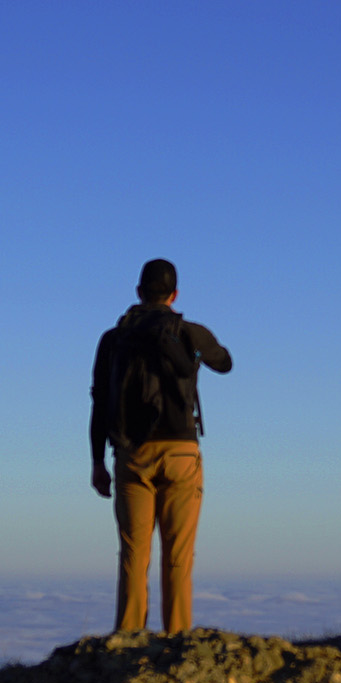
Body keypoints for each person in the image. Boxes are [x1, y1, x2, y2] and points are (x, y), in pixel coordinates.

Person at [89, 259, 232, 633]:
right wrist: (194, 349)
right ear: (174, 294)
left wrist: (97, 462)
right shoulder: (188, 332)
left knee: (134, 555)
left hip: (132, 455)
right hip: (182, 453)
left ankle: (128, 637)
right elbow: (226, 363)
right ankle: (178, 639)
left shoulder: (113, 339)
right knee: (178, 557)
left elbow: (100, 402)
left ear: (139, 293)